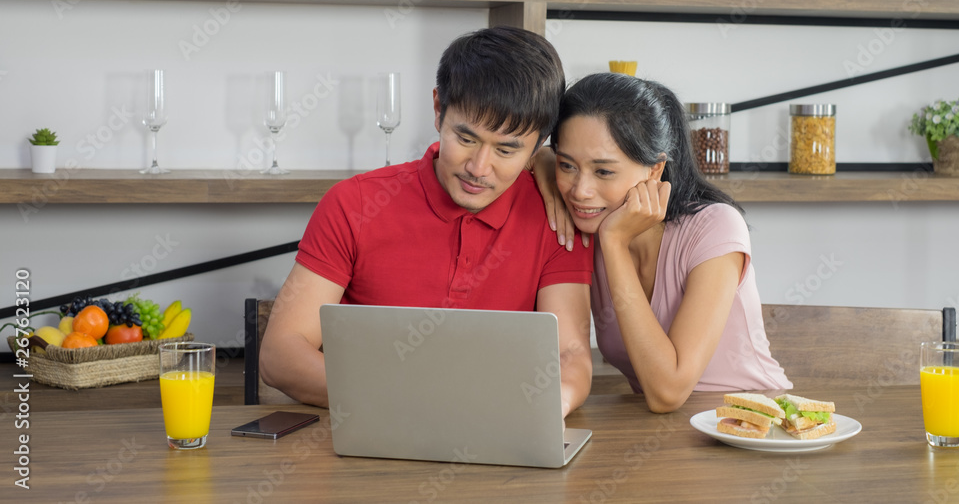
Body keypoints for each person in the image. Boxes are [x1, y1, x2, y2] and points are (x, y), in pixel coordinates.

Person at [259, 26, 594, 415]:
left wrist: (543, 410)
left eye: (506, 149)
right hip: (368, 439)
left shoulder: (556, 219)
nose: (478, 168)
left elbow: (570, 356)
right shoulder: (354, 205)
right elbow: (280, 355)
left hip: (497, 434)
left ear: (538, 147)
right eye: (466, 139)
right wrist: (418, 404)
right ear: (438, 110)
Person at [535, 72, 791, 413]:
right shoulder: (580, 220)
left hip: (751, 428)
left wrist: (614, 243)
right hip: (659, 438)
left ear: (655, 170)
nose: (580, 190)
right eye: (568, 165)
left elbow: (667, 392)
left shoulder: (714, 229)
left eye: (604, 172)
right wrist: (540, 159)